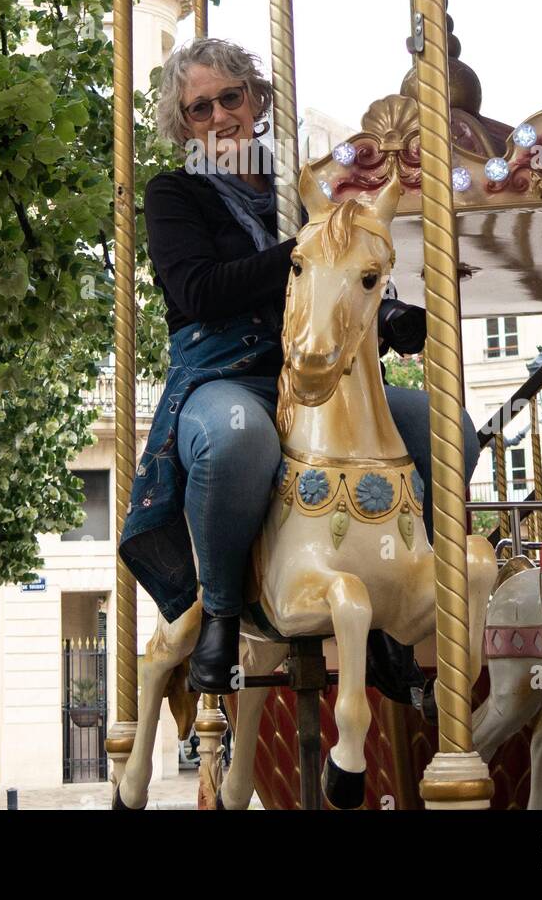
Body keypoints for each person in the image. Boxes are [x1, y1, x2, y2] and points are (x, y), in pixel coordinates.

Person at [117, 37, 481, 709]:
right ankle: (221, 615)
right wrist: (303, 250)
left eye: (231, 97)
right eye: (200, 108)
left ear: (256, 99)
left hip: (322, 375)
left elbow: (334, 279)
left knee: (448, 427)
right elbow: (199, 290)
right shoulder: (175, 194)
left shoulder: (302, 188)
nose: (220, 116)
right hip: (225, 376)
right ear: (183, 122)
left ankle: (398, 603)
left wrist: (389, 311)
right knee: (238, 443)